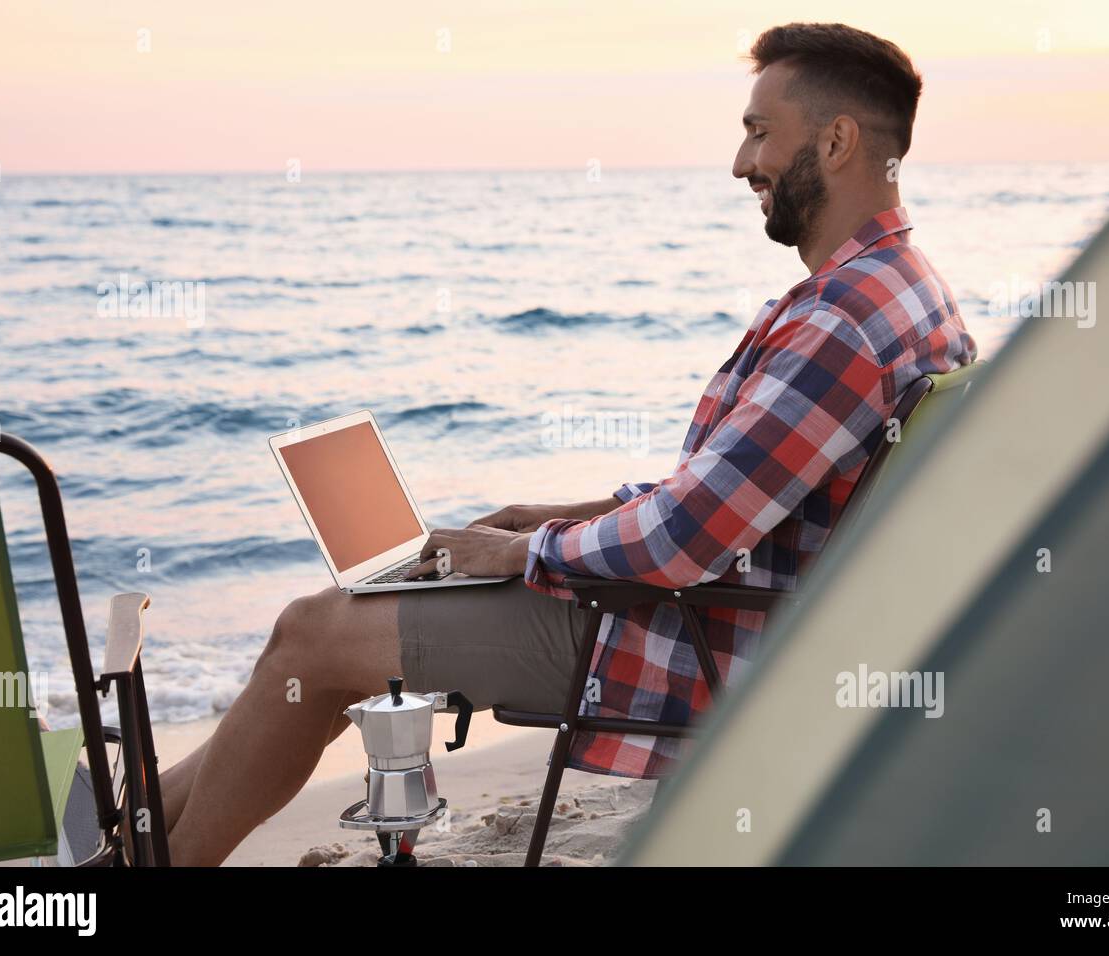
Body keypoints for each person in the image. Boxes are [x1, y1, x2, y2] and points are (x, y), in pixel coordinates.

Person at [160, 21, 977, 865]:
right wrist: (544, 518)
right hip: (731, 613)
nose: (742, 164)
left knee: (314, 634)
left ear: (837, 140)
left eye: (759, 132)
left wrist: (524, 552)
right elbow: (728, 494)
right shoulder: (901, 291)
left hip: (693, 639)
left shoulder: (840, 319)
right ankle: (135, 833)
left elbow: (684, 539)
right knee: (324, 635)